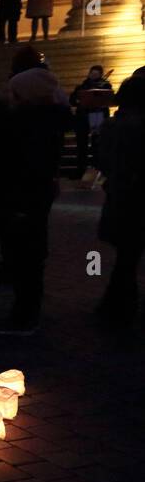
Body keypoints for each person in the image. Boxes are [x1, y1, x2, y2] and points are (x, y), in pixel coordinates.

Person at [0, 65, 72, 335]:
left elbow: (27, 165)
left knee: (25, 258)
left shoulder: (30, 124)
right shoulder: (47, 120)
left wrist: (17, 203)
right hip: (32, 196)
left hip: (24, 199)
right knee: (29, 257)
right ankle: (27, 311)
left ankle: (25, 317)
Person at [94, 75, 145, 327]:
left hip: (122, 194)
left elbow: (102, 161)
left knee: (126, 256)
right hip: (135, 194)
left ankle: (117, 305)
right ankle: (121, 305)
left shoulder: (114, 125)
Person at [71, 64, 113, 179]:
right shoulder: (81, 86)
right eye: (91, 73)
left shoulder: (105, 85)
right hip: (83, 118)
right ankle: (80, 170)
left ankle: (98, 170)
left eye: (96, 74)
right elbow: (73, 100)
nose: (93, 75)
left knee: (97, 144)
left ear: (100, 75)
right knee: (81, 145)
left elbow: (108, 99)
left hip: (98, 116)